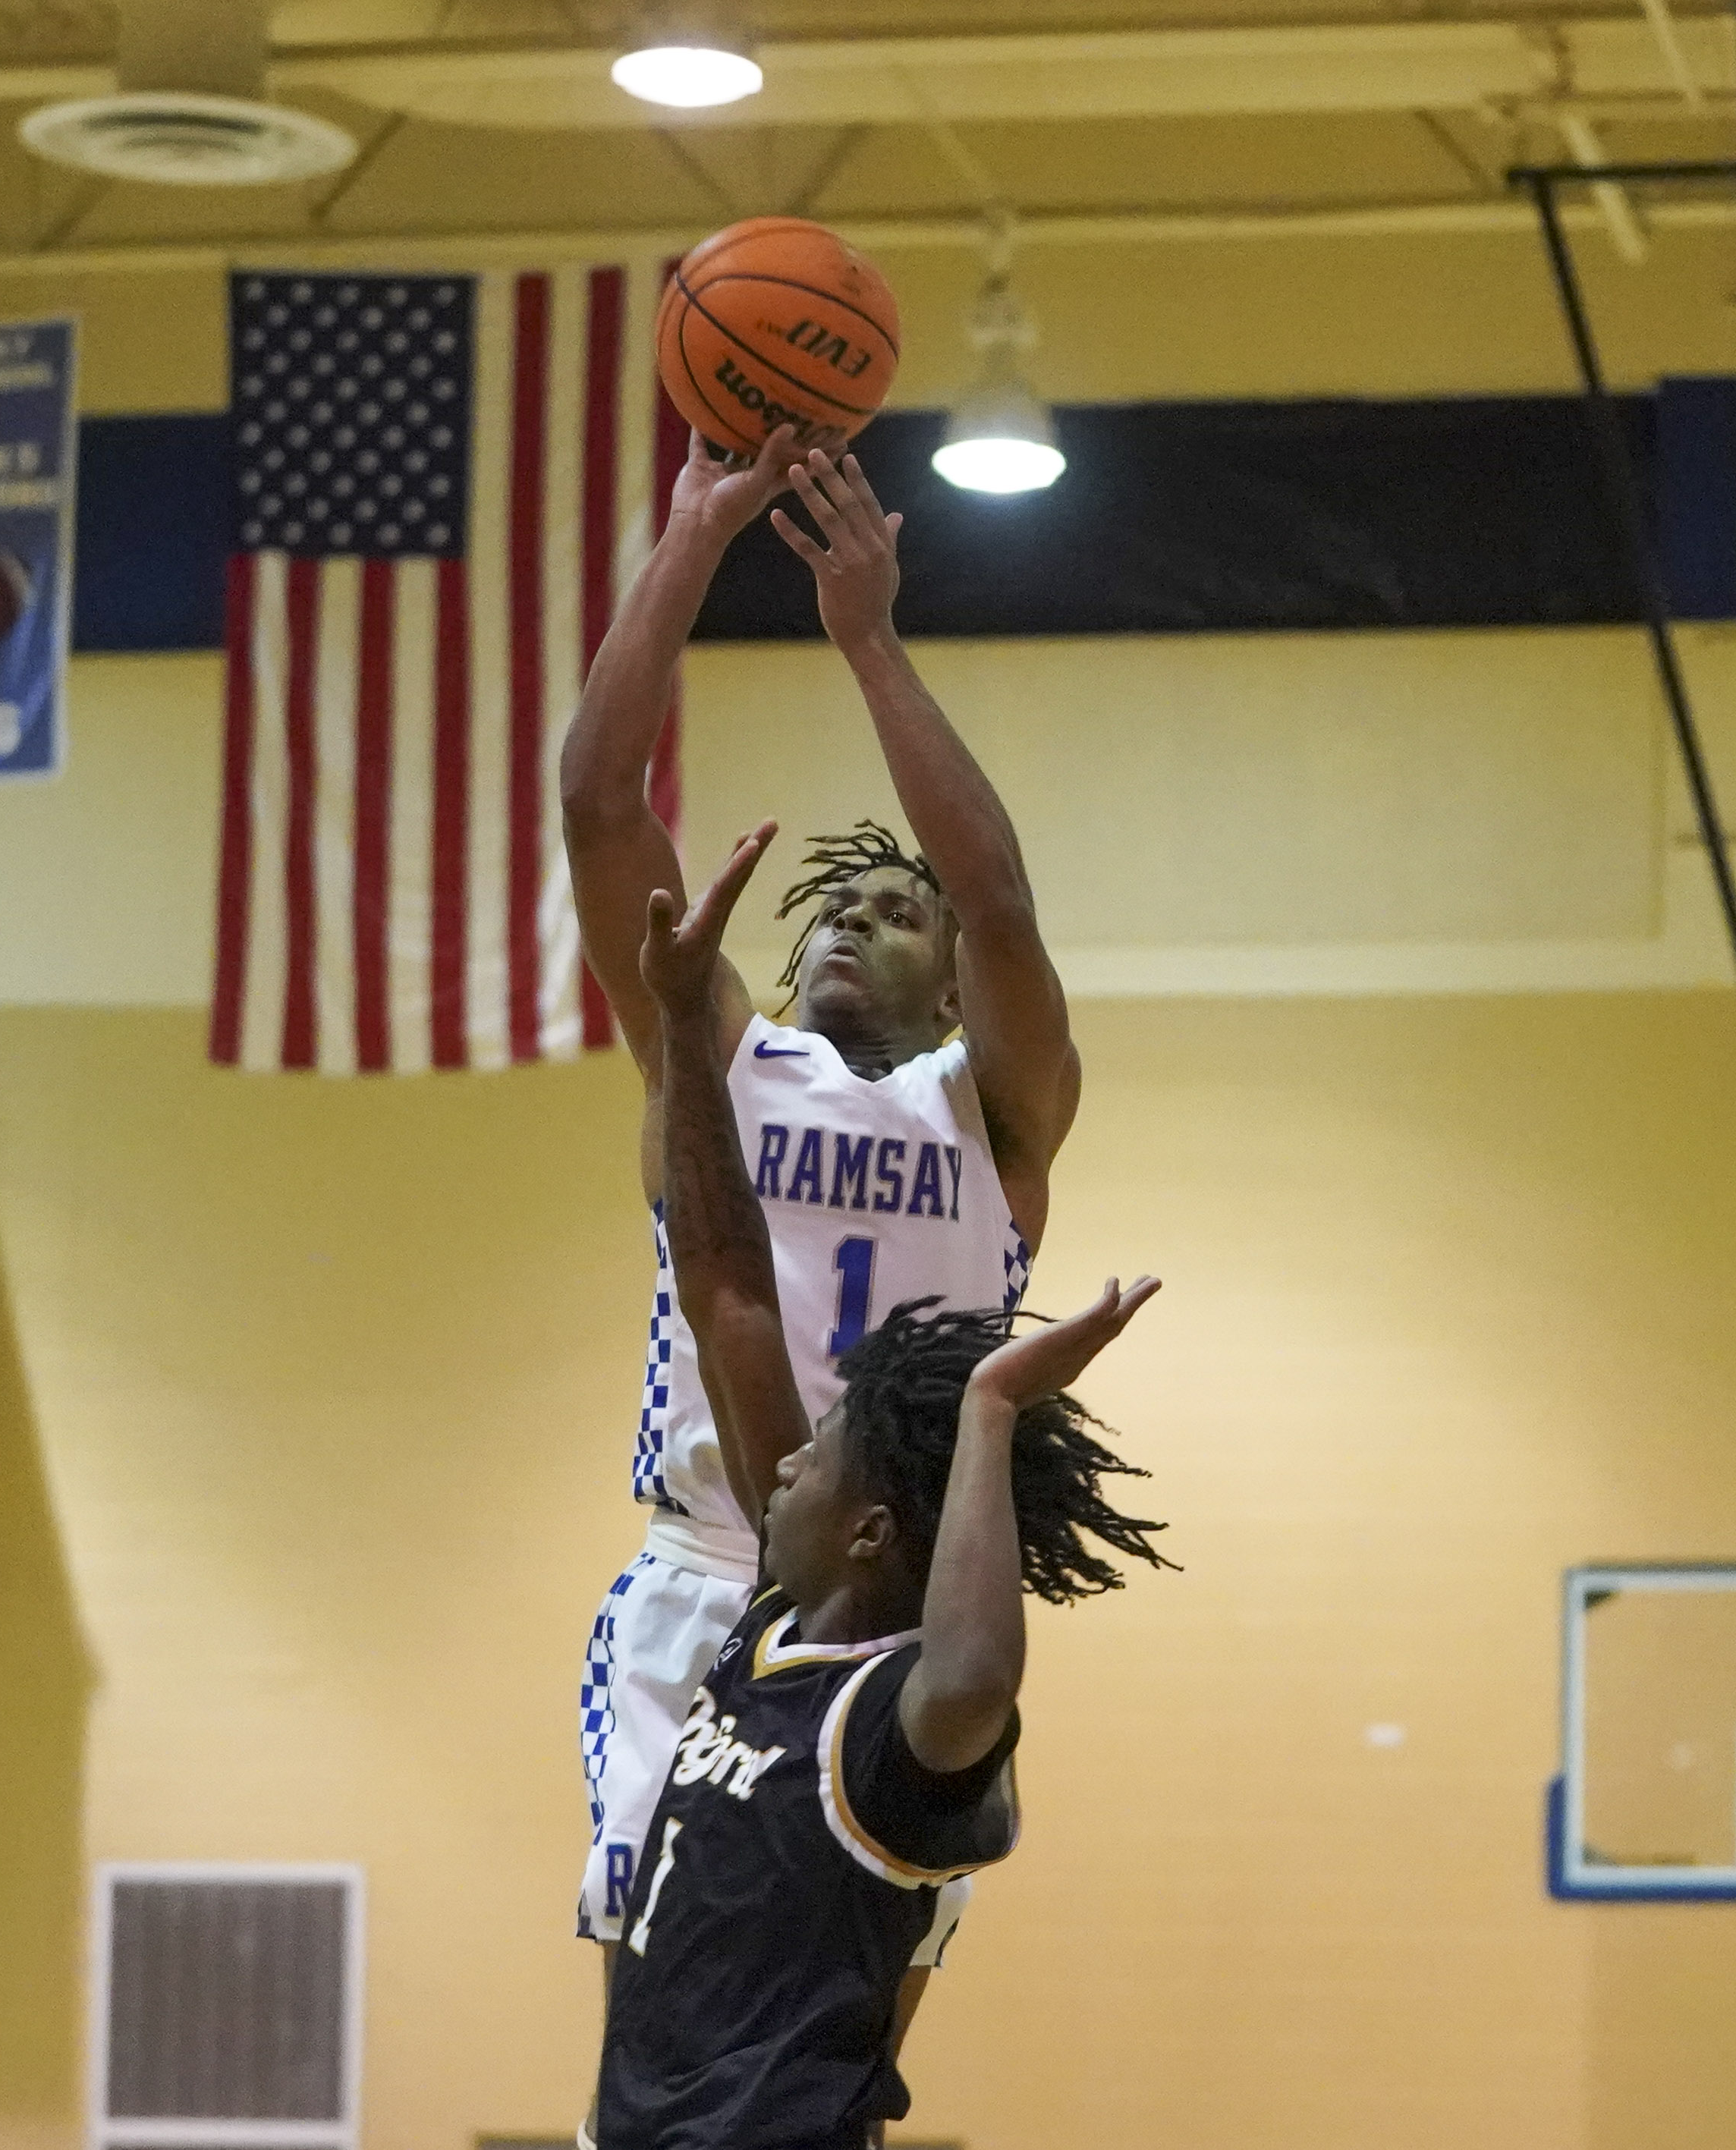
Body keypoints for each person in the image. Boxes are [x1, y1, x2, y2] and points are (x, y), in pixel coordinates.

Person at [560, 432, 1082, 1988]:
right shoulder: (715, 1057)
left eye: (893, 908)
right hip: (715, 1569)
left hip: (899, 1596)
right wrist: (686, 549)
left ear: (947, 982)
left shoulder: (993, 1111)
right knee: (668, 2024)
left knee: (843, 2034)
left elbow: (1001, 898)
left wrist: (867, 637)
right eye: (831, 906)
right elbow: (596, 801)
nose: (854, 918)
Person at [594, 820, 1167, 2148]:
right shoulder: (755, 1644)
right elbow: (731, 1289)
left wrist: (985, 1412)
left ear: (866, 1528)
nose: (779, 1463)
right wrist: (685, 1025)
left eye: (815, 1464)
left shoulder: (895, 1730)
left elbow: (975, 1675)